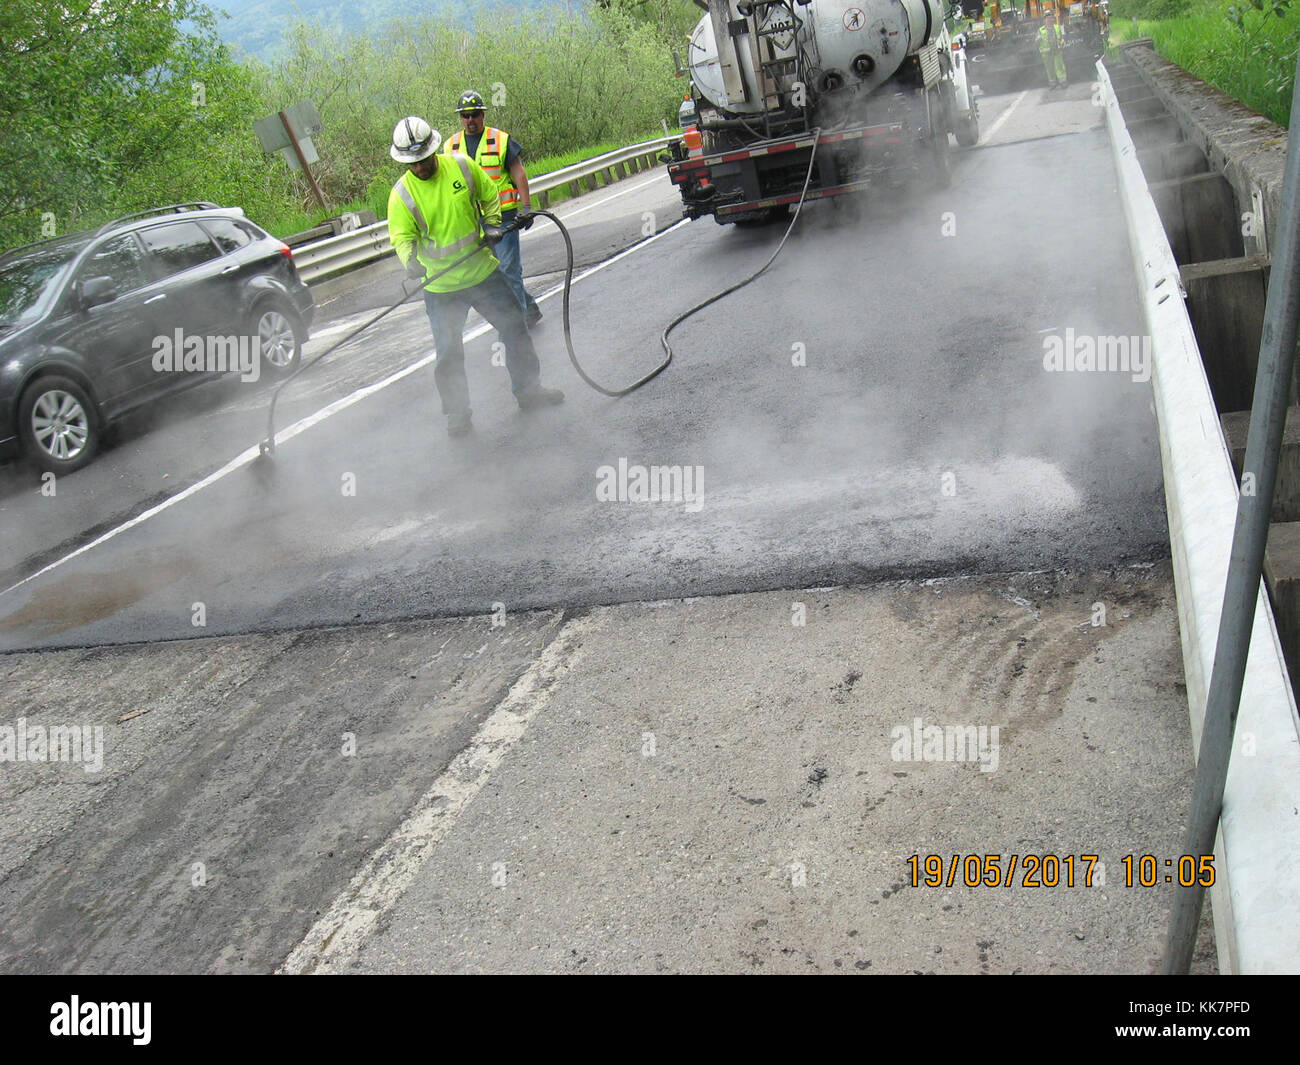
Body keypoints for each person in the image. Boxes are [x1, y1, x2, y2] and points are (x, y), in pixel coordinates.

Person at [386, 116, 563, 438]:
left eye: (424, 159)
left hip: (482, 272)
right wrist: (410, 261)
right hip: (441, 287)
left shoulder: (461, 166)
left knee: (515, 328)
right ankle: (457, 414)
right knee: (448, 351)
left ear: (432, 150)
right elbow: (401, 237)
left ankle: (529, 391)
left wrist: (493, 223)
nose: (421, 167)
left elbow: (489, 192)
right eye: (414, 163)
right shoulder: (402, 194)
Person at [443, 90, 542, 327]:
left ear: (483, 114)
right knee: (492, 273)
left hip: (504, 217)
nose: (470, 120)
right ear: (460, 118)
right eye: (465, 115)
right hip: (473, 222)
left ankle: (517, 326)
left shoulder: (500, 139)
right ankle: (529, 309)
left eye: (475, 114)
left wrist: (526, 207)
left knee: (508, 269)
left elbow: (518, 172)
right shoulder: (450, 146)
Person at [1039, 9, 1068, 90]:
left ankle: (1063, 82)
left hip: (1057, 51)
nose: (1050, 19)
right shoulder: (1041, 30)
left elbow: (1061, 37)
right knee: (1050, 69)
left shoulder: (1057, 27)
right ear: (1044, 20)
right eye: (1047, 18)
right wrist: (1037, 39)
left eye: (1051, 17)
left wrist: (1062, 41)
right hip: (1047, 53)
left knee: (1060, 67)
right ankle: (1053, 84)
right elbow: (1036, 41)